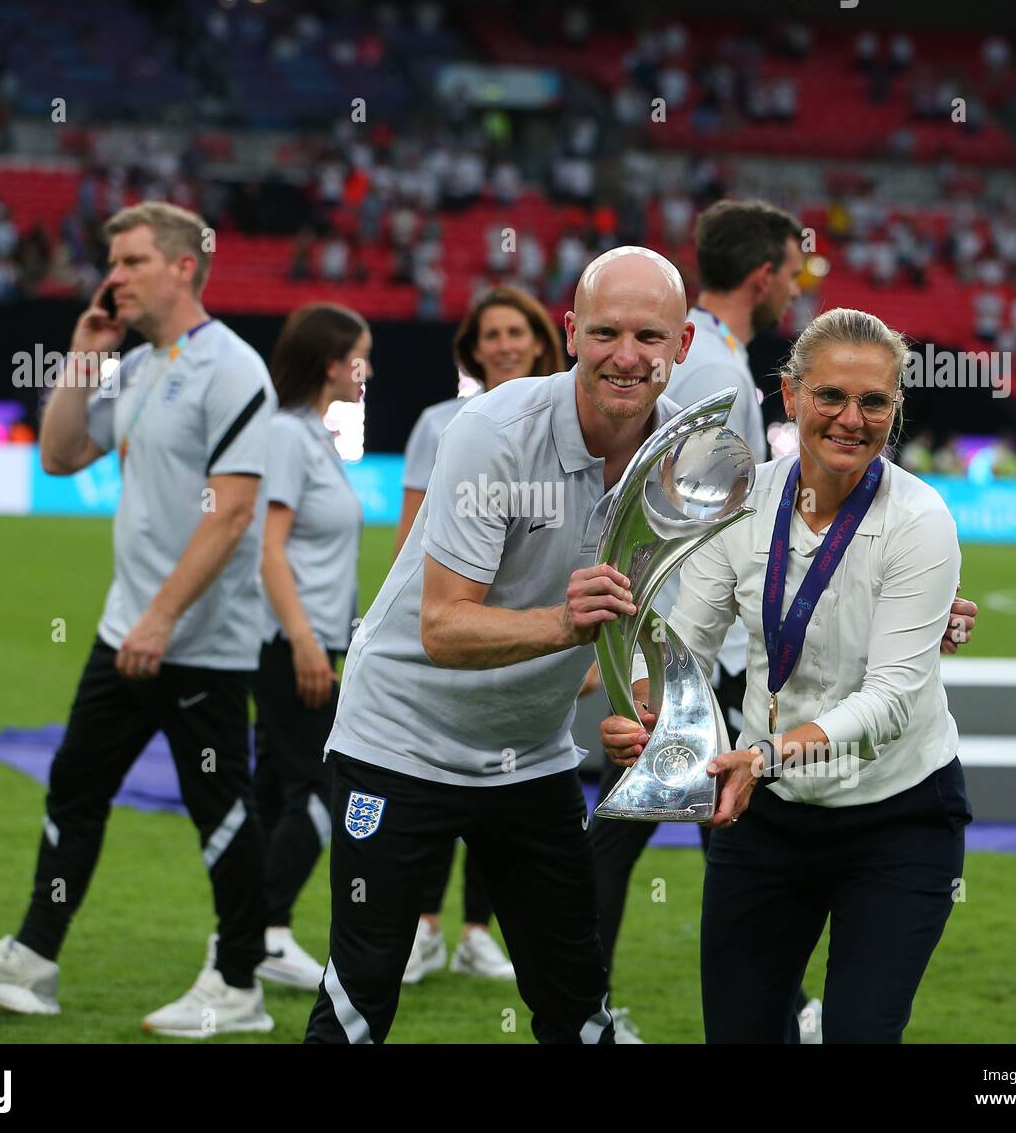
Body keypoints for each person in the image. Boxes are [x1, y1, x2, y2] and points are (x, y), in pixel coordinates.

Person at [590, 200, 979, 1043]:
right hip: (766, 816)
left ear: (897, 407)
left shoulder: (920, 520)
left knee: (859, 1032)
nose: (851, 418)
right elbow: (688, 638)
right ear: (790, 393)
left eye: (874, 402)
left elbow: (893, 701)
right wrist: (652, 715)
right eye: (831, 395)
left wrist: (765, 753)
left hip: (897, 815)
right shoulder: (743, 502)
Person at [303, 247, 691, 1043]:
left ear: (682, 345)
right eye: (607, 332)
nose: (627, 356)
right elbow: (443, 626)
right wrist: (565, 624)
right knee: (361, 997)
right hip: (397, 744)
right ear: (572, 331)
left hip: (529, 755)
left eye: (650, 337)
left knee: (577, 1003)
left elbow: (653, 610)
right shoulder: (495, 430)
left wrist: (639, 707)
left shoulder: (682, 449)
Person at [0, 202, 278, 1037]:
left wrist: (161, 620)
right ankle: (34, 961)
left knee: (220, 812)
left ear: (184, 267)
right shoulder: (143, 363)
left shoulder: (233, 369)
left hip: (200, 642)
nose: (112, 276)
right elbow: (58, 456)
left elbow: (229, 515)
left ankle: (238, 987)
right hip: (130, 630)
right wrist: (83, 360)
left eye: (130, 261)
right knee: (75, 789)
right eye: (111, 260)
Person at [394, 285, 566, 983]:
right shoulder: (440, 423)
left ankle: (476, 931)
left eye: (514, 332)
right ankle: (425, 926)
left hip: (525, 633)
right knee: (436, 777)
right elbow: (410, 534)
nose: (502, 344)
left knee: (504, 785)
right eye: (489, 334)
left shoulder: (567, 426)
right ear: (474, 347)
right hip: (454, 624)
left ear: (537, 340)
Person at [252, 304, 371, 991]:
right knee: (328, 792)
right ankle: (257, 931)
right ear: (331, 362)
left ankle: (254, 935)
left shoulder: (313, 437)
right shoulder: (288, 436)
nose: (369, 370)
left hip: (313, 642)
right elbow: (269, 550)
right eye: (362, 355)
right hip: (291, 645)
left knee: (277, 789)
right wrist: (304, 641)